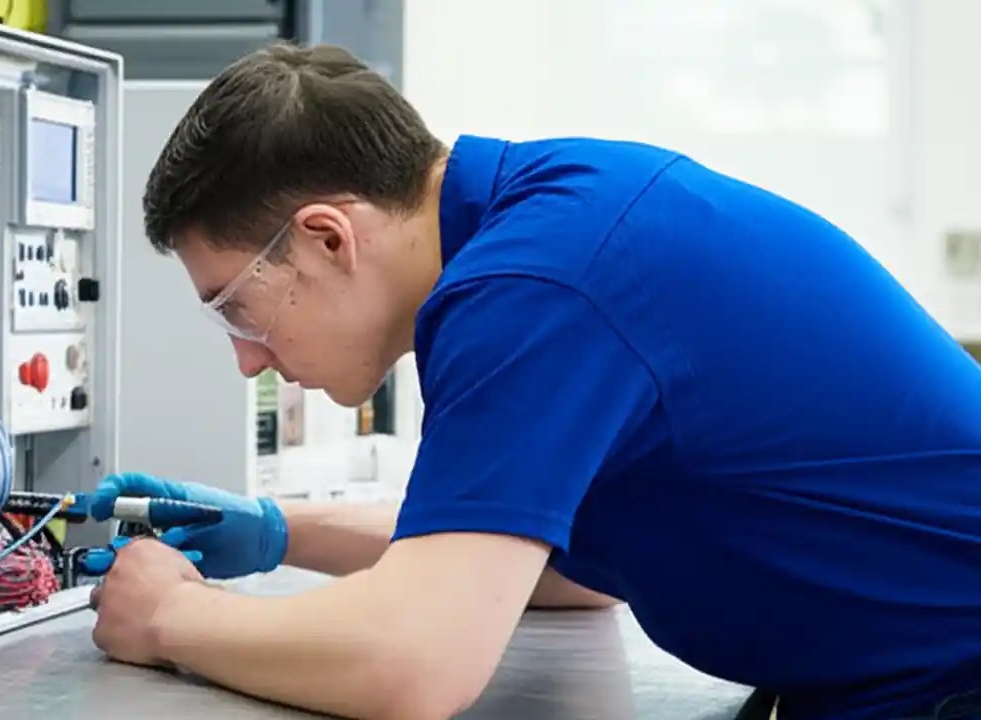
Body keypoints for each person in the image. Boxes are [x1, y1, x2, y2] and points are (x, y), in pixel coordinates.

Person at [86, 42, 981, 720]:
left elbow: (414, 660)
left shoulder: (535, 287)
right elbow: (566, 565)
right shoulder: (543, 220)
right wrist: (282, 532)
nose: (247, 357)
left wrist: (169, 617)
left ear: (329, 237)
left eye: (237, 308)